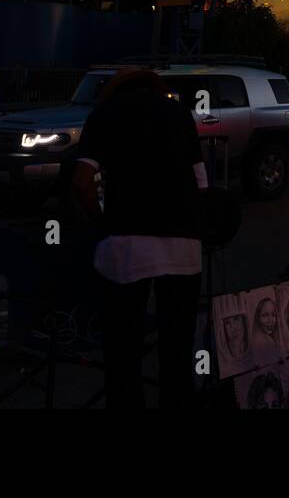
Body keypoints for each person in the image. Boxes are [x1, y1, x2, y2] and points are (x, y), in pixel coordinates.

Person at [72, 69, 205, 409]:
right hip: (183, 247)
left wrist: (100, 222)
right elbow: (201, 183)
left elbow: (83, 181)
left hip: (126, 248)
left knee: (122, 354)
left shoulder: (104, 115)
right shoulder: (179, 114)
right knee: (176, 352)